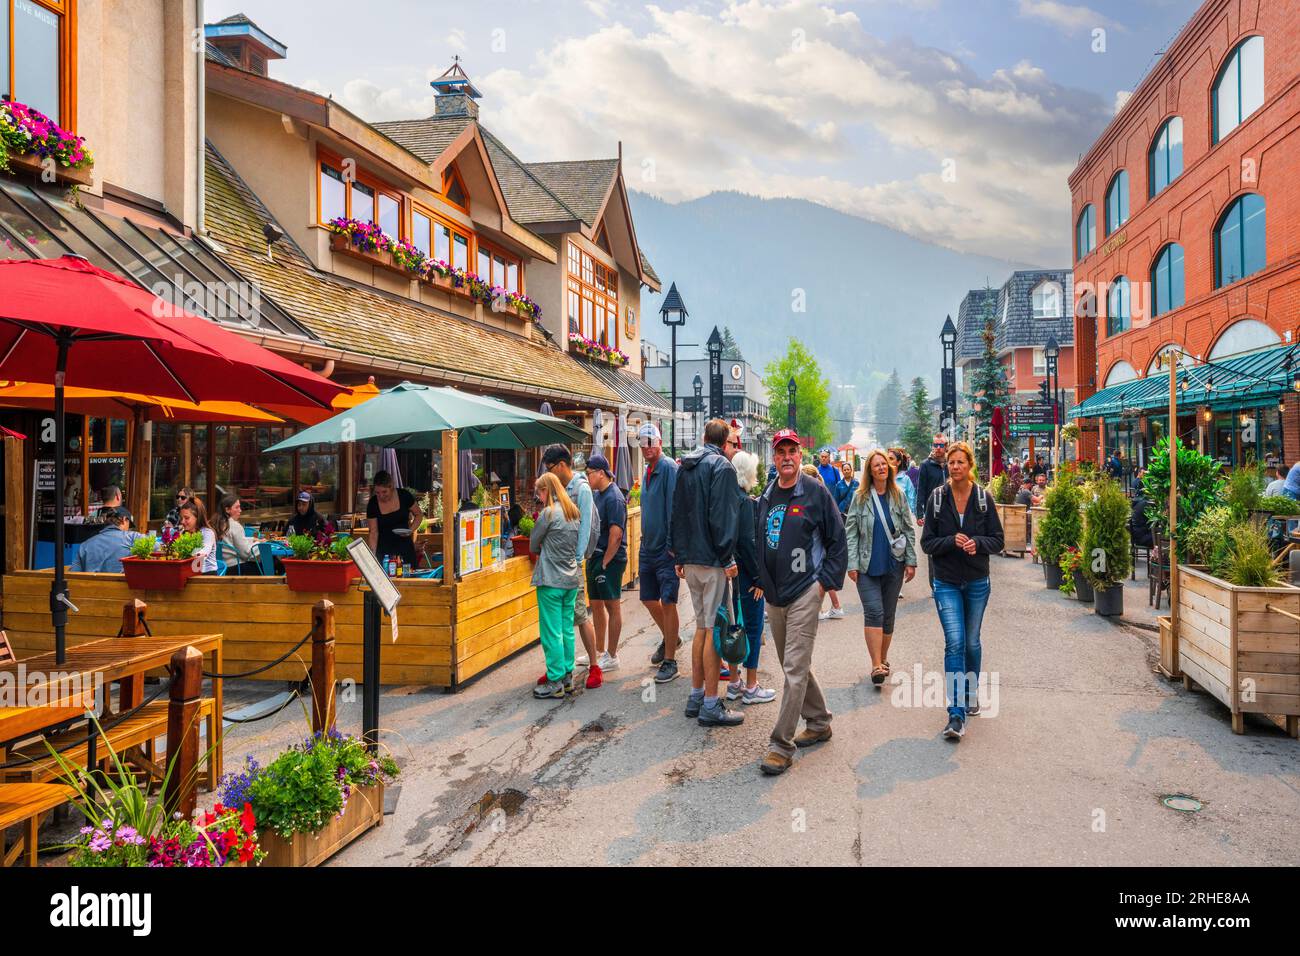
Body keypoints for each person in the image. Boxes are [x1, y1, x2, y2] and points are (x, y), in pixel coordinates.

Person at [755, 428, 847, 775]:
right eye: (781, 452)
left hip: (805, 590)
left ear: (801, 456)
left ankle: (781, 745)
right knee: (792, 664)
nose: (787, 457)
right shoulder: (767, 494)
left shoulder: (815, 492)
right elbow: (760, 538)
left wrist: (824, 584)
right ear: (774, 457)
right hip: (775, 594)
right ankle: (820, 720)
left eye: (792, 451)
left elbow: (837, 540)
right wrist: (759, 578)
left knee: (793, 668)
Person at [921, 441, 1004, 741]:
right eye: (951, 463)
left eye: (961, 462)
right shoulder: (937, 499)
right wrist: (951, 542)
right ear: (947, 466)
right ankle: (955, 715)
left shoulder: (983, 499)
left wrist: (977, 543)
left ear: (970, 466)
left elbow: (998, 540)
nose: (955, 467)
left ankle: (970, 694)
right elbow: (927, 543)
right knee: (954, 643)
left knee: (971, 642)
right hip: (946, 582)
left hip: (977, 581)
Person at [670, 417, 743, 727]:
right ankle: (711, 703)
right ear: (724, 441)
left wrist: (679, 553)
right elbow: (721, 516)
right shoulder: (722, 467)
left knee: (701, 627)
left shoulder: (686, 466)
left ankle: (697, 695)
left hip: (690, 558)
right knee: (713, 629)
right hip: (712, 558)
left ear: (704, 437)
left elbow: (677, 512)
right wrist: (727, 557)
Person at [845, 449, 918, 687]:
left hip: (893, 565)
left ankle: (883, 658)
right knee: (874, 612)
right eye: (876, 465)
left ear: (890, 467)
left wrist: (911, 560)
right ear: (869, 471)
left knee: (888, 615)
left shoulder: (898, 496)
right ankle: (876, 664)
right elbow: (851, 531)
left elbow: (908, 529)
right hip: (866, 565)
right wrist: (852, 564)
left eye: (884, 464)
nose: (881, 468)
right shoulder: (861, 497)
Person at [540, 445, 603, 689]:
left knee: (579, 615)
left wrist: (577, 559)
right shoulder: (558, 489)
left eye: (550, 468)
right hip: (556, 564)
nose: (549, 473)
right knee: (561, 621)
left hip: (572, 563)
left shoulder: (581, 489)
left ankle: (595, 665)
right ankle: (560, 670)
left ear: (562, 465)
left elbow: (586, 526)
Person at [728, 450, 777, 705]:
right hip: (747, 576)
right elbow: (748, 542)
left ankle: (735, 682)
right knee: (753, 627)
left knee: (734, 627)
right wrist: (760, 579)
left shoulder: (728, 499)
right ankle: (751, 686)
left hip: (730, 574)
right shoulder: (745, 502)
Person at [530, 472, 583, 699]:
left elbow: (533, 544)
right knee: (566, 630)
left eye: (539, 492)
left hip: (550, 579)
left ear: (547, 490)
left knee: (551, 632)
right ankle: (567, 677)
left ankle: (554, 680)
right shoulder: (573, 512)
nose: (538, 497)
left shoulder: (548, 514)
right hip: (571, 579)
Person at [638, 424, 683, 682]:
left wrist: (671, 546)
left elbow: (673, 510)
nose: (646, 447)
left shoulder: (668, 468)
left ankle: (670, 661)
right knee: (647, 598)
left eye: (650, 441)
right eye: (642, 442)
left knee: (668, 601)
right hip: (648, 546)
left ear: (659, 441)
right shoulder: (648, 471)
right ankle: (670, 637)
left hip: (665, 549)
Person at [585, 455, 627, 671]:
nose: (587, 477)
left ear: (601, 472)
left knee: (612, 604)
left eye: (590, 473)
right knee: (596, 604)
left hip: (609, 557)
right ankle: (599, 651)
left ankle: (612, 655)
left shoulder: (614, 497)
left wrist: (606, 562)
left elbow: (616, 535)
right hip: (597, 556)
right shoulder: (598, 495)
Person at [802, 465, 845, 620]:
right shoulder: (822, 492)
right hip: (822, 545)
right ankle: (833, 607)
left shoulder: (814, 495)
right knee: (821, 576)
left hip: (817, 545)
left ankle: (827, 608)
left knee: (818, 576)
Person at [366, 471, 421, 570]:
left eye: (384, 492)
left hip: (405, 549)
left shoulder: (404, 496)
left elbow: (418, 515)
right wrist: (372, 557)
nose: (381, 496)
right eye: (377, 492)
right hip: (384, 554)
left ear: (391, 487)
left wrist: (411, 530)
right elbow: (373, 533)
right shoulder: (373, 504)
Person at [914, 435, 949, 587]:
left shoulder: (950, 464)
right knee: (933, 547)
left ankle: (947, 580)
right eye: (935, 445)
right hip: (932, 511)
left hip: (950, 511)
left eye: (941, 445)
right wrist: (919, 513)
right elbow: (920, 489)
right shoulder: (926, 465)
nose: (938, 448)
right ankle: (934, 584)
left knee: (949, 545)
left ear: (946, 446)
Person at [71, 507, 149, 573]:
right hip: (122, 590)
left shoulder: (85, 545)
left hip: (91, 590)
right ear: (124, 519)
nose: (129, 528)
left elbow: (74, 574)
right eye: (129, 524)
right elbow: (157, 547)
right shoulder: (132, 537)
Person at [212, 493, 260, 574]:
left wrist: (252, 540)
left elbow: (231, 541)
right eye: (237, 507)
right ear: (227, 510)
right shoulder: (235, 526)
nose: (240, 510)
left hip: (220, 568)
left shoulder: (216, 523)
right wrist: (260, 544)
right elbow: (246, 554)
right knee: (266, 565)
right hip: (235, 568)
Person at [178, 497, 219, 575]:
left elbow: (202, 554)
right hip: (190, 573)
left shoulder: (207, 533)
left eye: (186, 518)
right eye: (181, 518)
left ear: (197, 517)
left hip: (207, 576)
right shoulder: (184, 533)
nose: (182, 521)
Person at [888, 447, 917, 513]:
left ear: (898, 462)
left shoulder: (906, 480)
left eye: (891, 459)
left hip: (902, 518)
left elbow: (911, 500)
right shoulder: (882, 478)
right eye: (886, 459)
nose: (888, 461)